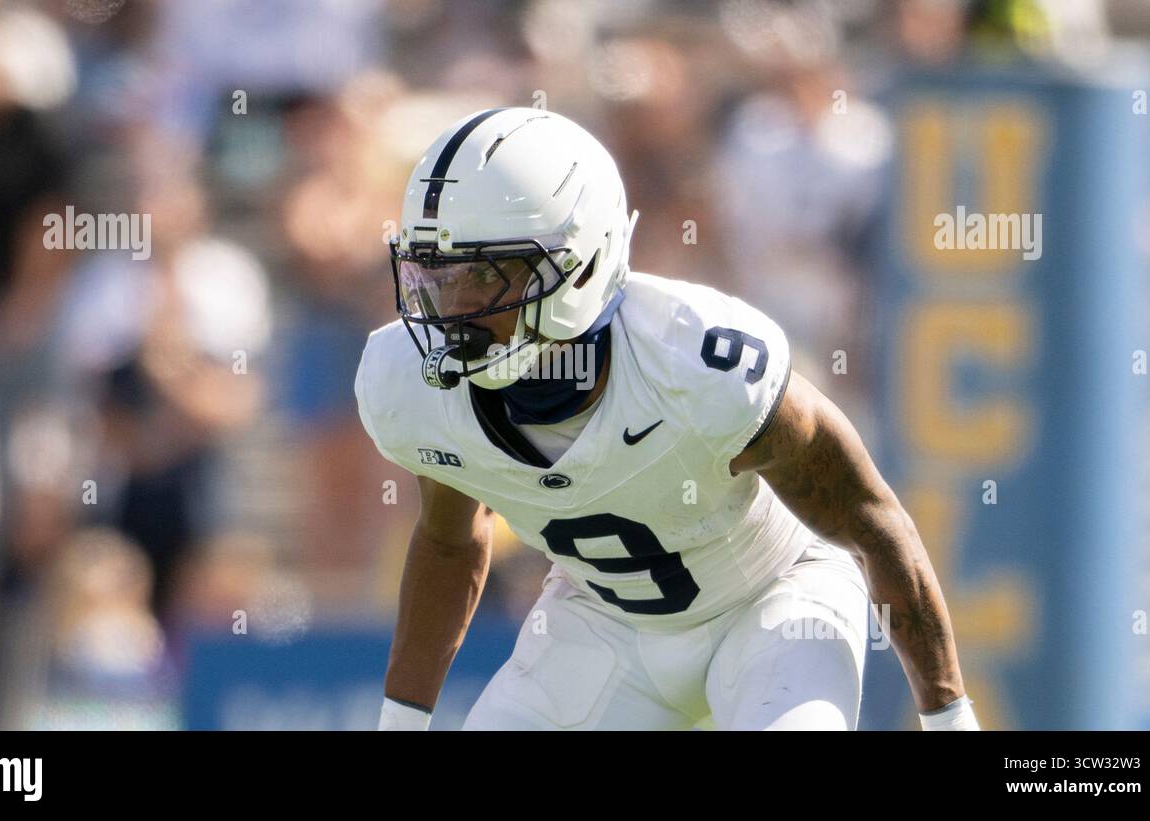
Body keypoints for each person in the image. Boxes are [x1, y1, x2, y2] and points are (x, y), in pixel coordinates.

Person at [354, 107, 977, 731]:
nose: (451, 311)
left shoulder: (700, 362)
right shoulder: (406, 382)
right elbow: (449, 538)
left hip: (775, 599)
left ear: (581, 264)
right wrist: (401, 722)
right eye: (434, 275)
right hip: (605, 620)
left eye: (483, 276)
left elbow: (870, 519)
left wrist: (950, 718)